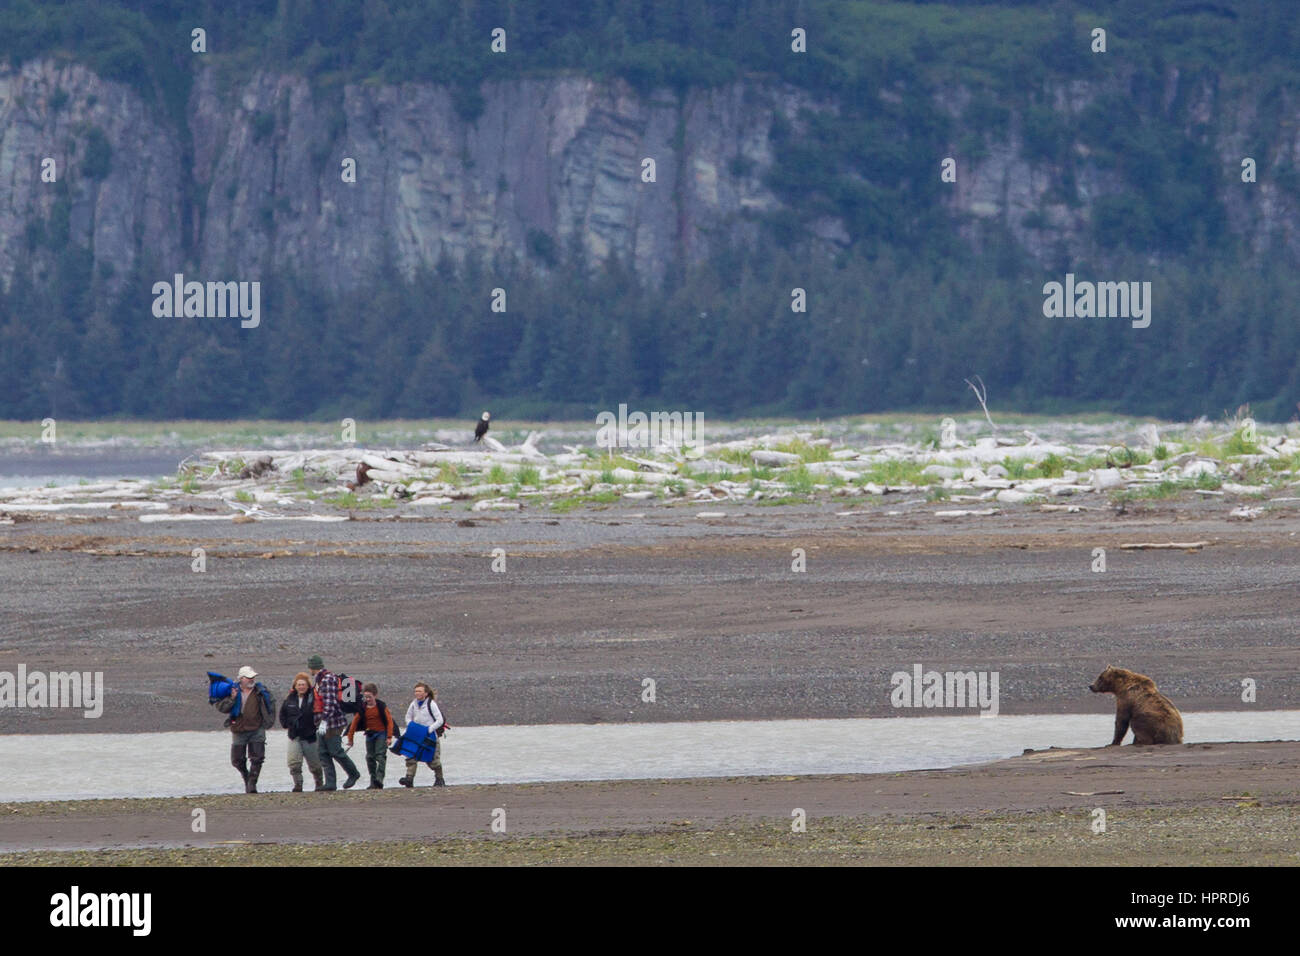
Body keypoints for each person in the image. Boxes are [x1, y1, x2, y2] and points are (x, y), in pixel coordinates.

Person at [216, 665, 276, 793]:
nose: (251, 679)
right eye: (248, 677)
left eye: (253, 677)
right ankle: (246, 776)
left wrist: (268, 723)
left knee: (258, 758)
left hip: (257, 728)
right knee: (237, 760)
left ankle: (252, 784)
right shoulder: (232, 691)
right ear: (241, 679)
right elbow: (221, 708)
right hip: (238, 729)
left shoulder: (260, 691)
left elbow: (271, 705)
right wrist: (232, 699)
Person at [307, 654, 361, 791]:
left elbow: (330, 702)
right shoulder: (319, 680)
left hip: (333, 722)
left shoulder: (327, 679)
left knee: (336, 751)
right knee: (323, 753)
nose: (309, 669)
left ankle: (353, 773)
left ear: (314, 667)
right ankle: (330, 783)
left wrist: (324, 721)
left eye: (310, 666)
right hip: (322, 723)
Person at [278, 672, 324, 792]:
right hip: (294, 736)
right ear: (295, 686)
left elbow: (319, 712)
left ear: (308, 685)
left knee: (315, 764)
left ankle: (319, 783)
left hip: (310, 736)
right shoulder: (289, 699)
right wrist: (286, 725)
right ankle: (298, 784)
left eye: (303, 684)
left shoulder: (313, 697)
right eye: (299, 684)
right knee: (294, 763)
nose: (301, 687)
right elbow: (282, 714)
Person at [346, 683, 397, 789]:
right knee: (370, 757)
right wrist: (350, 739)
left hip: (382, 734)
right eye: (366, 697)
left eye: (370, 697)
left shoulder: (381, 706)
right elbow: (354, 724)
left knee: (380, 755)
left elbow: (389, 722)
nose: (368, 699)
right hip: (370, 734)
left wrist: (389, 737)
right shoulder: (363, 708)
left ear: (375, 695)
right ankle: (373, 780)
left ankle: (380, 778)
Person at [399, 682, 445, 788]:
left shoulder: (431, 704)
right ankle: (409, 779)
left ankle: (439, 778)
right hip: (416, 735)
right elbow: (408, 717)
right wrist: (411, 726)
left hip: (429, 736)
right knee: (411, 756)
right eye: (415, 691)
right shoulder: (413, 703)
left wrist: (429, 729)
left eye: (419, 691)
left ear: (425, 693)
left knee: (433, 760)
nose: (417, 693)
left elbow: (440, 720)